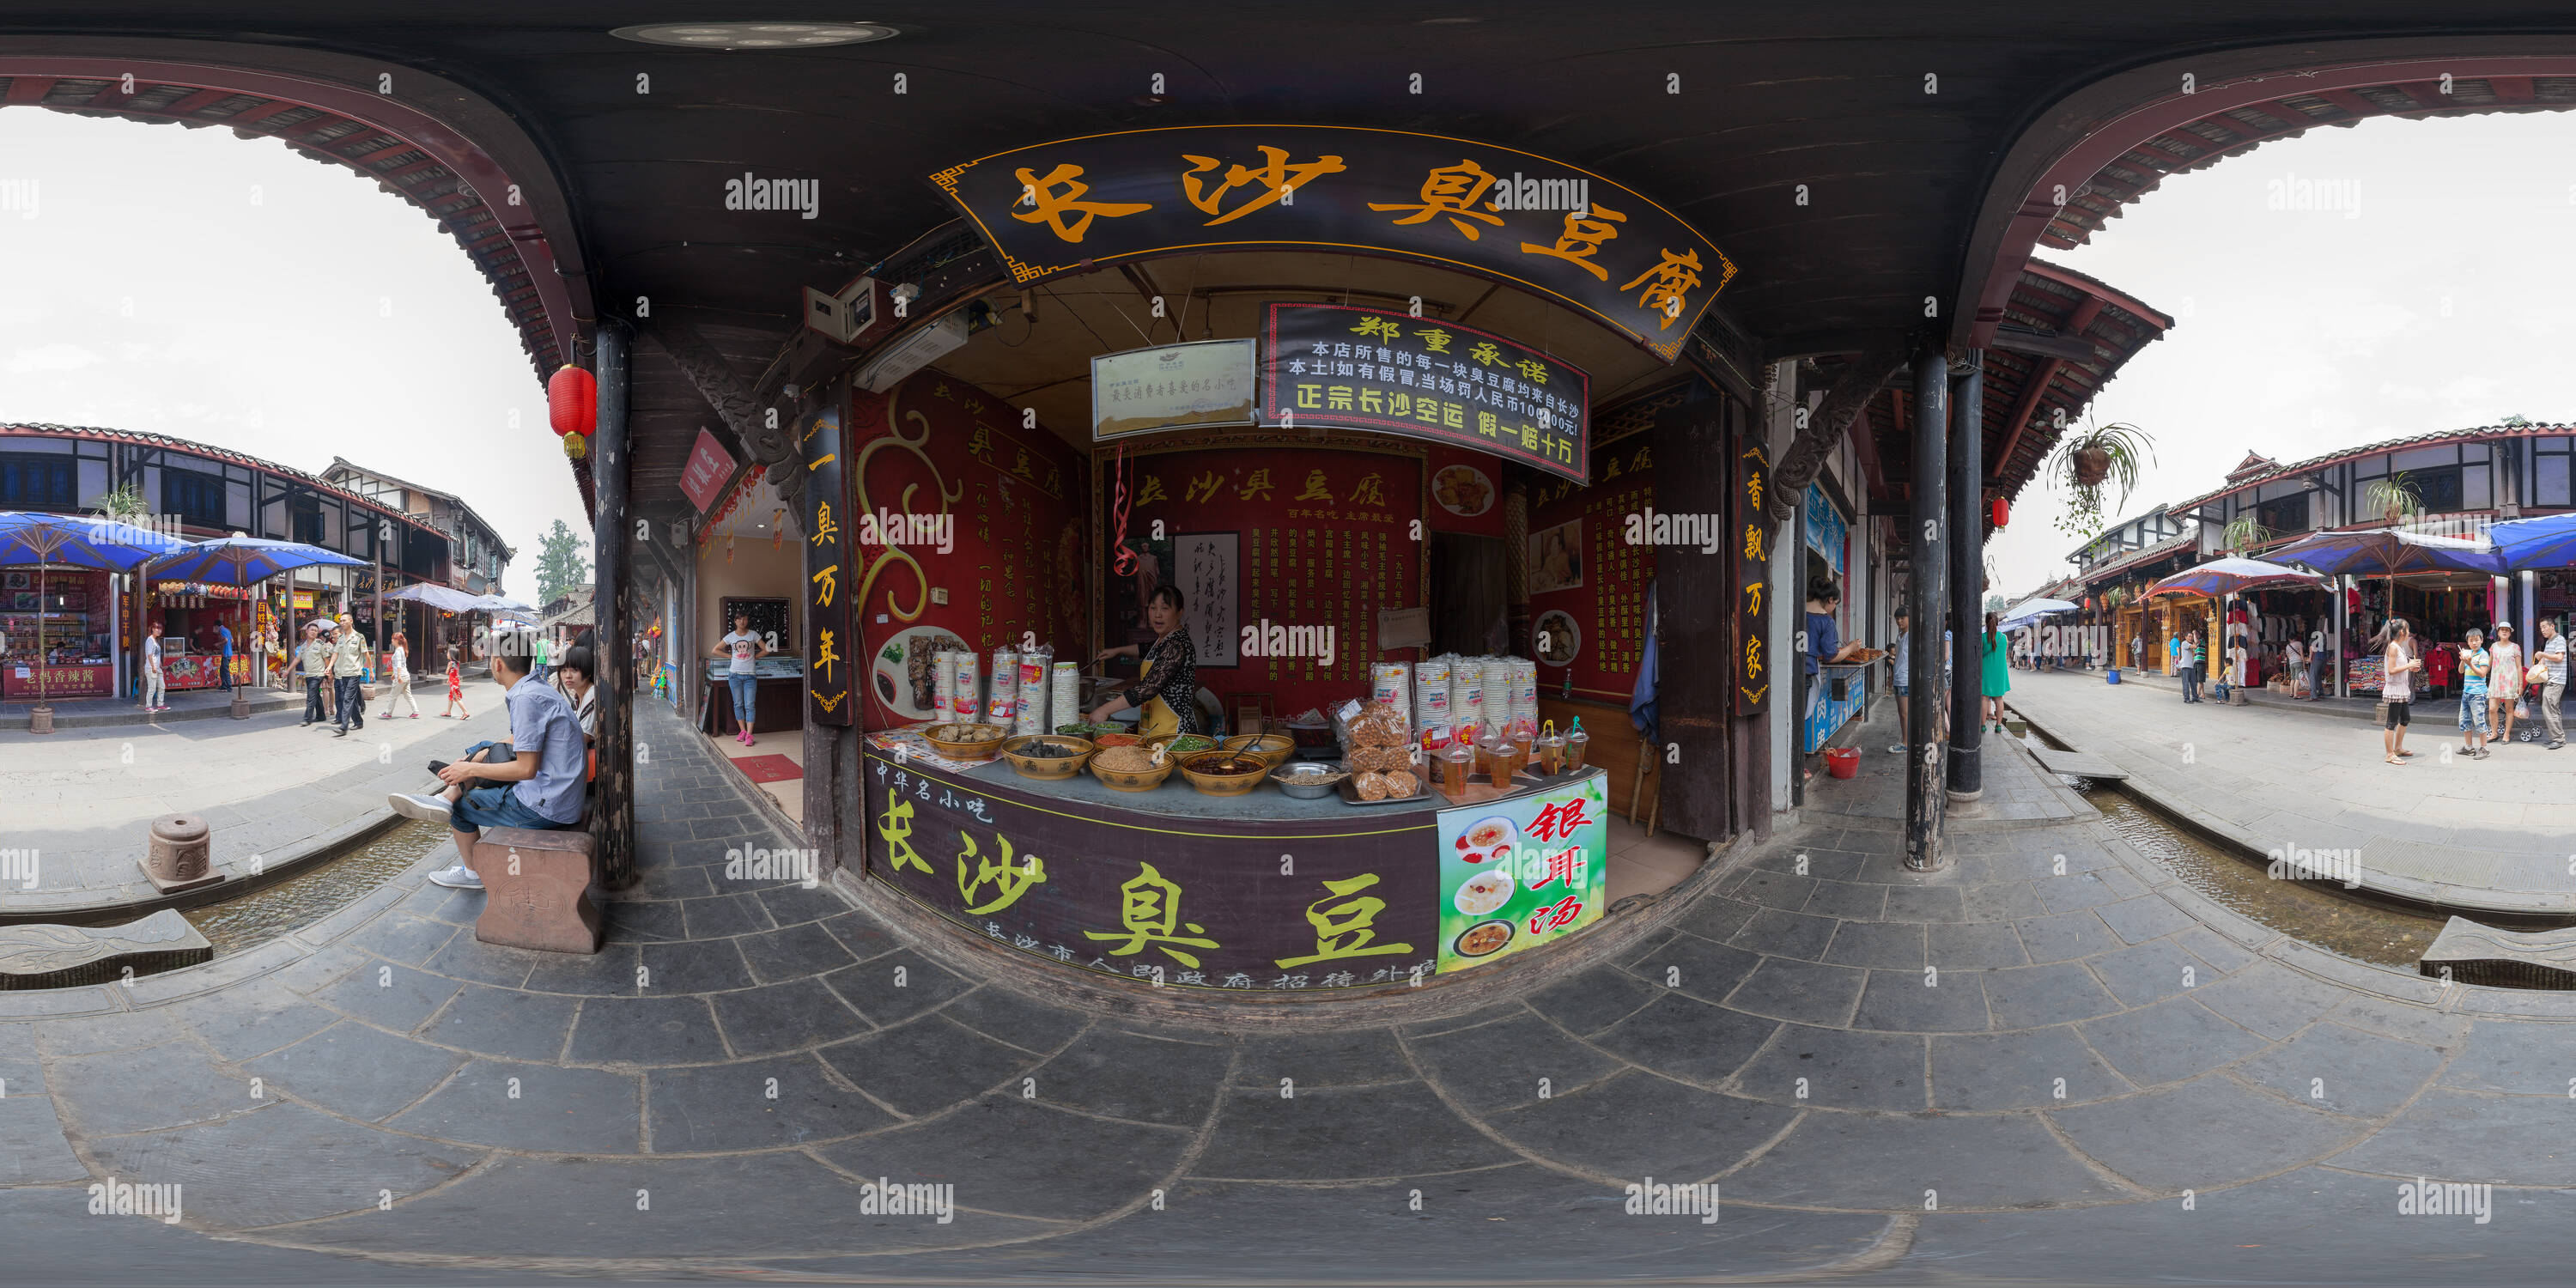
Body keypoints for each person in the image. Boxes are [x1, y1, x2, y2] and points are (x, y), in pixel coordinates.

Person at [392, 633, 589, 891]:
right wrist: (477, 757)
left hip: (547, 805)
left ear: (497, 663)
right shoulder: (535, 687)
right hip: (561, 794)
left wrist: (470, 768)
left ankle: (473, 873)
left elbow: (526, 769)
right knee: (484, 748)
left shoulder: (524, 698)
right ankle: (445, 797)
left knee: (461, 809)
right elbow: (519, 738)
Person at [1091, 583, 1206, 735]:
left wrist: (1104, 710)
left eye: (1165, 609)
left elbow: (1148, 688)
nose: (1157, 614)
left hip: (1175, 730)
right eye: (1153, 608)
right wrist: (1116, 651)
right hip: (1155, 725)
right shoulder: (1164, 639)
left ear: (1179, 613)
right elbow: (1145, 649)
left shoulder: (1177, 644)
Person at [714, 611, 768, 746]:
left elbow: (766, 649)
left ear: (747, 620)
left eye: (745, 619)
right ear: (735, 621)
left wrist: (755, 657)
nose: (742, 622)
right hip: (734, 675)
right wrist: (730, 657)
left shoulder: (753, 634)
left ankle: (750, 735)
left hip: (750, 675)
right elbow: (715, 650)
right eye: (739, 619)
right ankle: (742, 731)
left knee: (750, 705)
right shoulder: (731, 636)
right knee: (738, 704)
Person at [2376, 617, 2421, 765]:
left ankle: (2398, 748)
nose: (2409, 633)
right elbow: (2392, 670)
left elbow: (2400, 667)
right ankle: (2390, 754)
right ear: (2402, 631)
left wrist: (2411, 666)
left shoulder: (2399, 646)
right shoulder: (2393, 647)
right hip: (2395, 688)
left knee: (2405, 718)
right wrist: (2409, 666)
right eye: (2408, 630)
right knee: (2391, 722)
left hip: (2401, 688)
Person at [329, 614, 369, 736]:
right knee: (350, 699)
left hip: (354, 673)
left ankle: (344, 727)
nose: (342, 622)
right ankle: (358, 721)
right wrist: (330, 666)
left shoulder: (359, 637)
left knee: (347, 699)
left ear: (351, 621)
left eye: (344, 620)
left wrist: (371, 670)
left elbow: (366, 654)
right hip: (343, 673)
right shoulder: (340, 639)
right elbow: (335, 654)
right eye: (340, 621)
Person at [2458, 626, 2492, 760]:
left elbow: (2483, 673)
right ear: (2467, 642)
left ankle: (2484, 748)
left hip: (2478, 694)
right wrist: (2463, 659)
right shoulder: (2469, 654)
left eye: (2476, 640)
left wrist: (2470, 664)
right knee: (2464, 720)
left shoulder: (2484, 654)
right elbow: (2461, 671)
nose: (2474, 643)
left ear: (2482, 640)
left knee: (2479, 721)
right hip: (2466, 692)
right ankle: (2468, 747)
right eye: (2471, 641)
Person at [2488, 622, 2523, 746]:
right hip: (2496, 682)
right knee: (2492, 709)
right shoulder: (2493, 646)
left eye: (2507, 630)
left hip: (2510, 682)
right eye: (2502, 630)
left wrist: (2520, 684)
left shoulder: (2515, 647)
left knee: (2509, 709)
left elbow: (2519, 667)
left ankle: (2507, 734)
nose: (2504, 632)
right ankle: (2494, 733)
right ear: (2498, 632)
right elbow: (2489, 664)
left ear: (2510, 633)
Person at [2537, 617, 2567, 750]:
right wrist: (2541, 661)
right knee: (2553, 708)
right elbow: (2548, 659)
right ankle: (2558, 737)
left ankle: (2558, 739)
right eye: (2541, 628)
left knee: (2548, 707)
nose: (2542, 630)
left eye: (2544, 627)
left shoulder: (2559, 639)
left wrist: (2543, 654)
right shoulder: (2549, 642)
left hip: (2556, 679)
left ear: (2552, 626)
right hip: (2550, 679)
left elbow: (2559, 657)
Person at [380, 630, 422, 719]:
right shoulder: (402, 649)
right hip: (406, 675)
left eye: (392, 639)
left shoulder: (399, 650)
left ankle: (388, 713)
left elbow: (399, 664)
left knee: (393, 695)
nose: (391, 640)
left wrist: (398, 676)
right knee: (408, 695)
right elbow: (403, 664)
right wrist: (395, 674)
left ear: (396, 640)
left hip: (402, 676)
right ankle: (415, 711)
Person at [1980, 611, 2010, 733]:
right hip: (1999, 672)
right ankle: (1998, 726)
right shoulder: (2004, 638)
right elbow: (2004, 654)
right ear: (1997, 622)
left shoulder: (1982, 638)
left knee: (1984, 698)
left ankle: (1983, 726)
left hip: (1986, 671)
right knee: (1999, 699)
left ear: (1986, 623)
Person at [298, 623, 333, 726]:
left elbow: (326, 659)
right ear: (307, 631)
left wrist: (329, 673)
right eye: (312, 630)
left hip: (318, 674)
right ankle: (321, 715)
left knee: (311, 696)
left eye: (315, 630)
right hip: (309, 674)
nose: (313, 632)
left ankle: (307, 718)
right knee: (316, 695)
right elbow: (298, 658)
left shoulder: (320, 644)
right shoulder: (304, 645)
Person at [138, 620, 167, 714]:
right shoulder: (150, 640)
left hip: (157, 668)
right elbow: (150, 655)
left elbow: (156, 655)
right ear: (153, 629)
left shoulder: (156, 640)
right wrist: (153, 666)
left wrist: (160, 665)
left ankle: (160, 704)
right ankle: (149, 706)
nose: (159, 631)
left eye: (160, 629)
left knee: (162, 686)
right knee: (152, 687)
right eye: (157, 629)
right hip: (151, 668)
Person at [439, 642, 471, 719]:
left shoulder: (450, 663)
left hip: (453, 683)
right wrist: (449, 680)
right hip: (455, 682)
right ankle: (448, 712)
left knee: (457, 698)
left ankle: (465, 712)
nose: (447, 655)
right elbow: (455, 673)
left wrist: (448, 671)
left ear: (451, 655)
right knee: (451, 698)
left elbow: (447, 672)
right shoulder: (457, 663)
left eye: (448, 653)